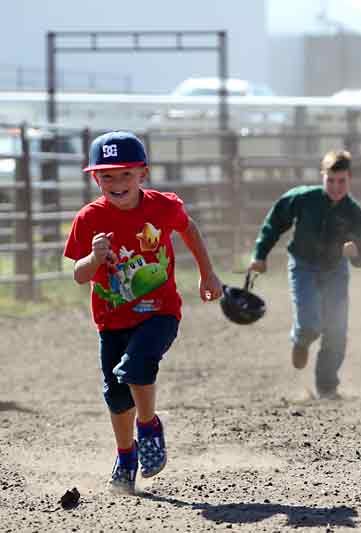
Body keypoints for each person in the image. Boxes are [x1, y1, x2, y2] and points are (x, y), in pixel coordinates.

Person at [64, 131, 223, 494]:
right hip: (112, 320)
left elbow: (188, 228)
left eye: (125, 174)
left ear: (142, 174)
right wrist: (93, 257)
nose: (117, 183)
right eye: (107, 176)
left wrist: (207, 272)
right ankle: (125, 455)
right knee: (117, 397)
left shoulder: (162, 207)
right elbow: (78, 274)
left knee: (136, 367)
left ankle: (149, 427)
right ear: (94, 179)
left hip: (159, 312)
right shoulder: (89, 219)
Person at [248, 150, 361, 400]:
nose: (336, 187)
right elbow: (274, 223)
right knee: (309, 322)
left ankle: (327, 387)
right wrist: (260, 254)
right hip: (303, 264)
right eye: (331, 180)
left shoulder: (354, 213)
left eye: (342, 181)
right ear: (322, 176)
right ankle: (301, 340)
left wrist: (356, 253)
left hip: (335, 269)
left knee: (336, 330)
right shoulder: (303, 198)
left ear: (350, 179)